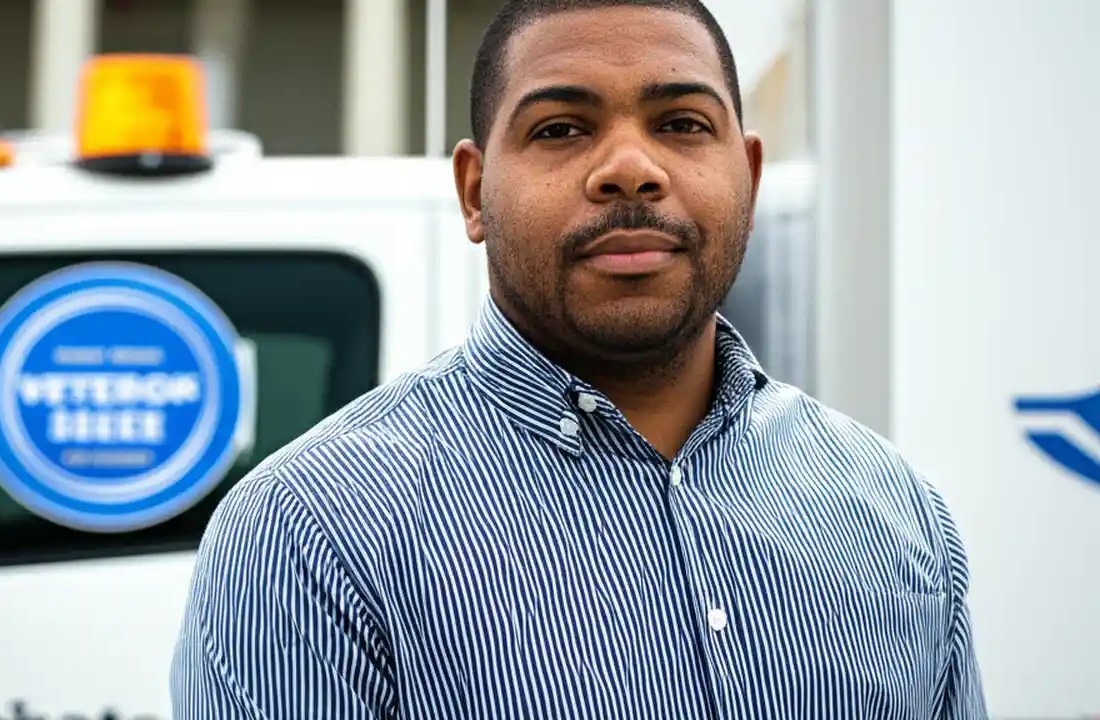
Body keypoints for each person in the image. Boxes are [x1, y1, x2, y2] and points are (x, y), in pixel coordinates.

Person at [170, 0, 988, 717]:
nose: (630, 169)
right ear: (473, 192)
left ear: (747, 175)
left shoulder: (894, 510)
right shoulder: (307, 532)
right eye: (560, 129)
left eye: (682, 124)